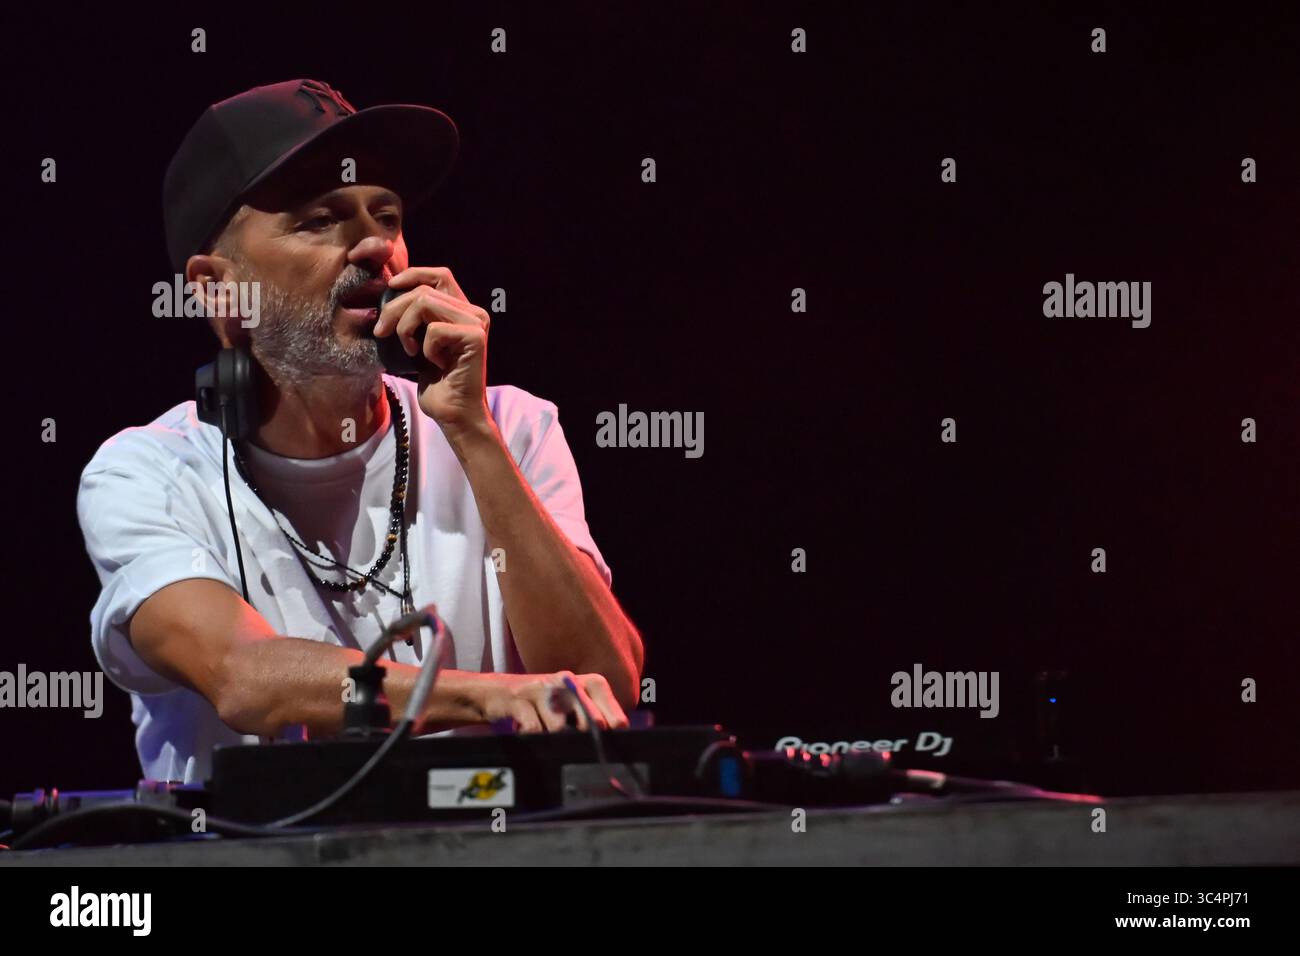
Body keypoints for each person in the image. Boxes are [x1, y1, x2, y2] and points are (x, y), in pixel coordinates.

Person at [76, 79, 643, 783]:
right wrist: (494, 699)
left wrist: (472, 433)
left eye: (388, 215)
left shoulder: (513, 429)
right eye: (320, 219)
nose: (377, 247)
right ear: (219, 290)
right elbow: (244, 674)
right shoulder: (147, 474)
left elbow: (604, 686)